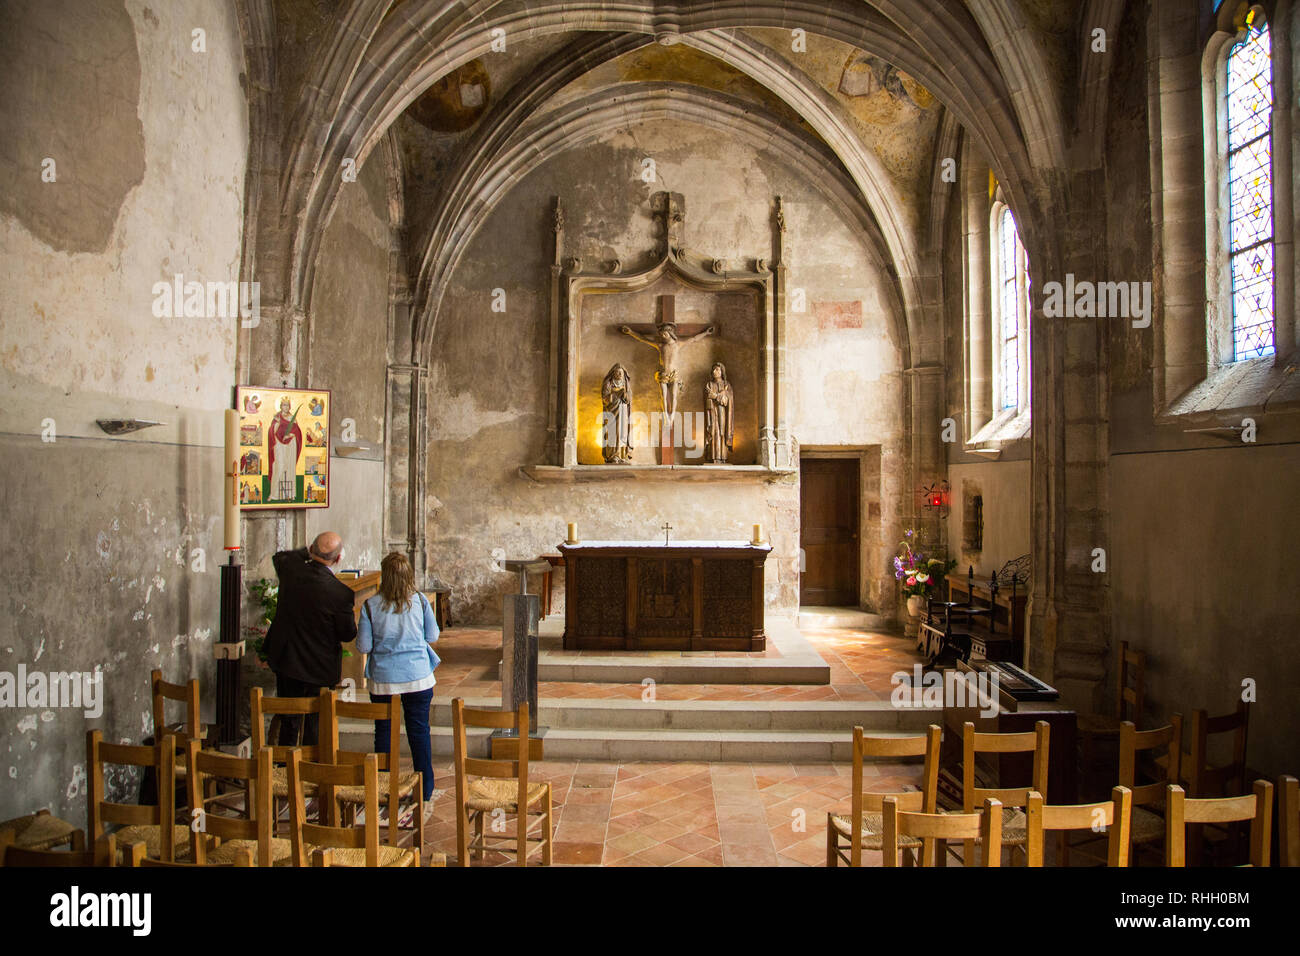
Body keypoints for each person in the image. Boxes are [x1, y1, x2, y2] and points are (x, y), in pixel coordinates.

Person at [356, 552, 441, 808]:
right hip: (417, 677)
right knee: (419, 732)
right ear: (409, 575)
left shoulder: (370, 606)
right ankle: (425, 789)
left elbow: (363, 646)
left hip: (384, 679)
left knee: (383, 732)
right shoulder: (419, 601)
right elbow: (432, 634)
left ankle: (383, 785)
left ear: (384, 575)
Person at [263, 531, 357, 745]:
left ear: (311, 549)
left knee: (289, 718)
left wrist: (309, 551)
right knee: (315, 722)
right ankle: (311, 767)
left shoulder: (290, 571)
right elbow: (347, 633)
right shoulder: (340, 593)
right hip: (320, 667)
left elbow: (281, 556)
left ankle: (284, 768)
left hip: (288, 661)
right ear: (338, 558)